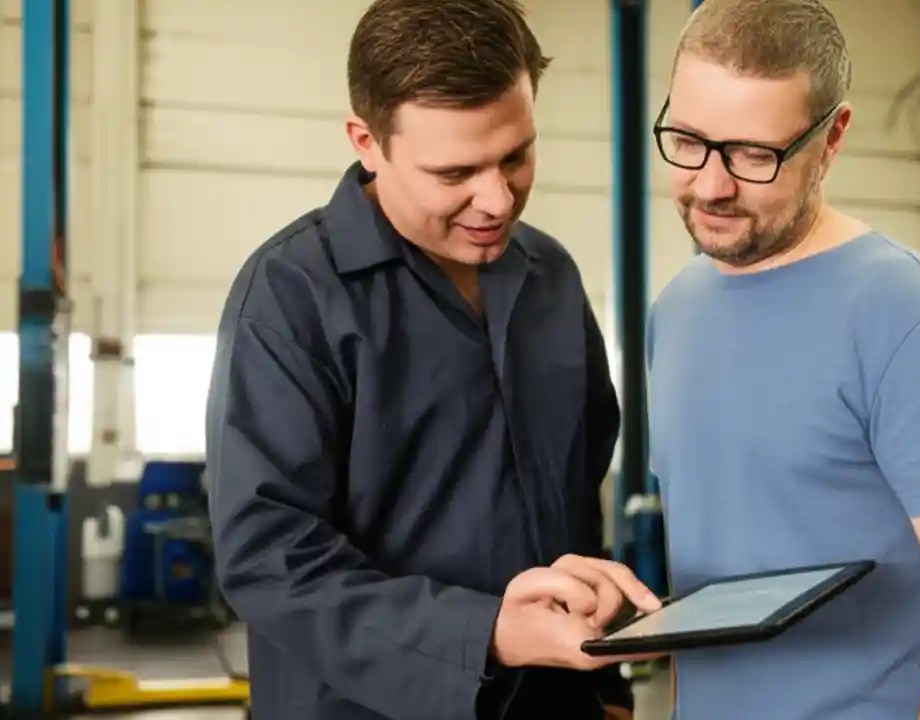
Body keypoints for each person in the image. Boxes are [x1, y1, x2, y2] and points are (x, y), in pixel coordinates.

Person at [204, 1, 660, 718]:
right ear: (366, 140)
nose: (497, 198)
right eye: (455, 173)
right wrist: (484, 633)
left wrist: (602, 679)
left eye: (516, 156)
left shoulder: (551, 279)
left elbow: (576, 504)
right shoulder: (292, 296)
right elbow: (270, 559)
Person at [645, 1, 920, 718]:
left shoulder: (909, 318)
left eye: (753, 155)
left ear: (831, 140)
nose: (710, 185)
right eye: (687, 139)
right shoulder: (676, 311)